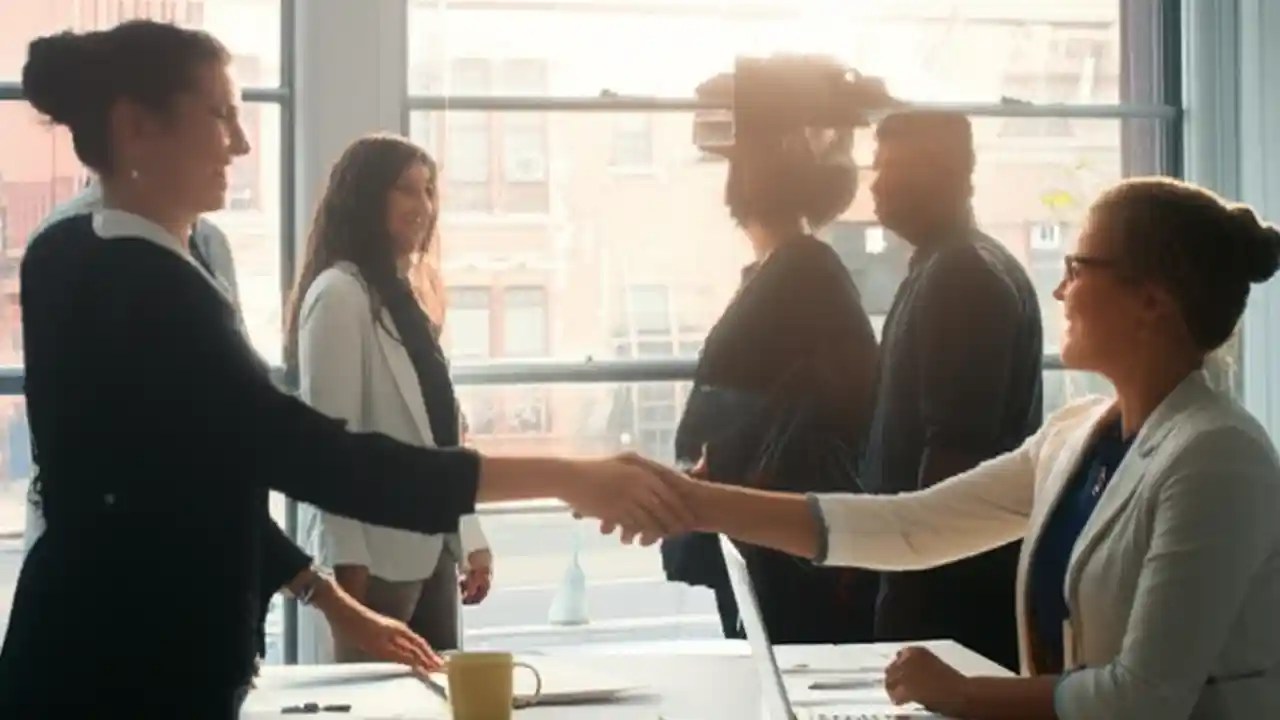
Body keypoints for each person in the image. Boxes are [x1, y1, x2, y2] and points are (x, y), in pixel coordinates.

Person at [1, 21, 688, 717]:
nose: (239, 142)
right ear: (136, 127)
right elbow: (320, 458)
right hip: (118, 669)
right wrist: (568, 475)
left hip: (111, 648)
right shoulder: (140, 284)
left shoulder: (116, 256)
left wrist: (324, 597)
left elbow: (191, 476)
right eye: (220, 115)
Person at [631, 177, 1280, 720]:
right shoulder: (1077, 436)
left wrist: (963, 693)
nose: (1060, 290)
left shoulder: (1217, 457)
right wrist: (697, 504)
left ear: (1150, 301)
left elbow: (1144, 698)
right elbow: (909, 527)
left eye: (1078, 269)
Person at [662, 66, 879, 644]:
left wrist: (724, 463)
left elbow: (838, 400)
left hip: (784, 540)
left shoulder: (805, 270)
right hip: (757, 527)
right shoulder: (781, 270)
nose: (734, 172)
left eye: (744, 158)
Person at [288, 134, 490, 661]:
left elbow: (442, 429)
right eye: (405, 190)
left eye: (428, 191)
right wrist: (348, 576)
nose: (422, 206)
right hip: (373, 565)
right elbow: (329, 451)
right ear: (366, 196)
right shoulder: (339, 295)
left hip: (430, 552)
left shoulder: (406, 297)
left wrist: (469, 535)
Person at [858, 111, 1043, 669]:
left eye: (893, 168)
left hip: (948, 590)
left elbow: (953, 453)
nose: (876, 184)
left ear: (948, 176)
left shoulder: (963, 277)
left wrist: (907, 578)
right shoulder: (948, 267)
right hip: (946, 572)